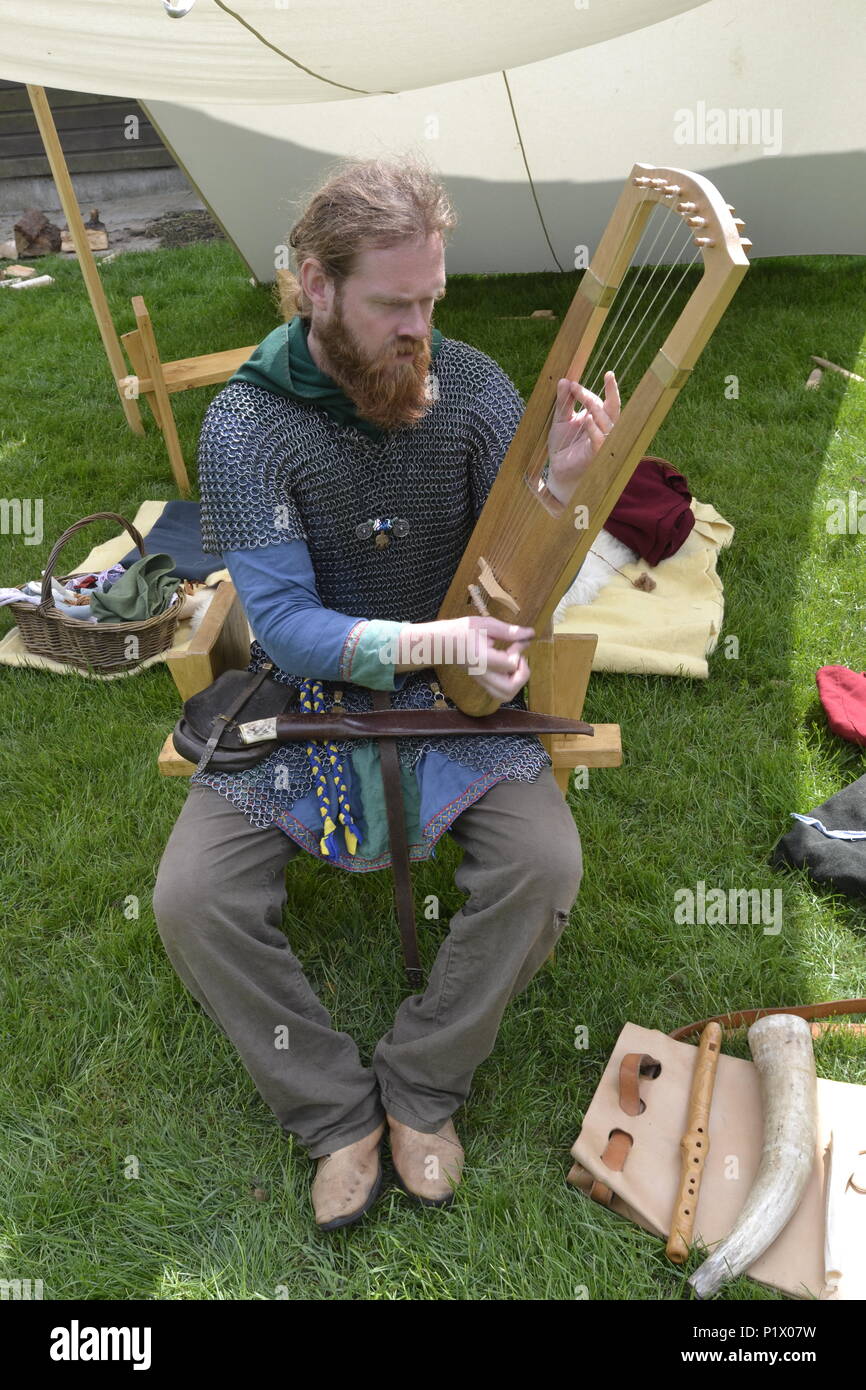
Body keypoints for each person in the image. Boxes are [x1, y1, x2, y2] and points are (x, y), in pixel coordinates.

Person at [152, 153, 620, 1231]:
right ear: (314, 284)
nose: (418, 328)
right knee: (192, 899)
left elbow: (518, 563)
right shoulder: (247, 423)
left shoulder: (464, 386)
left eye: (430, 298)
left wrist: (552, 483)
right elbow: (288, 627)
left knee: (543, 864)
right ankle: (332, 1111)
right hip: (307, 696)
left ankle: (419, 1084)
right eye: (390, 303)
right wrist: (433, 636)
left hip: (451, 696)